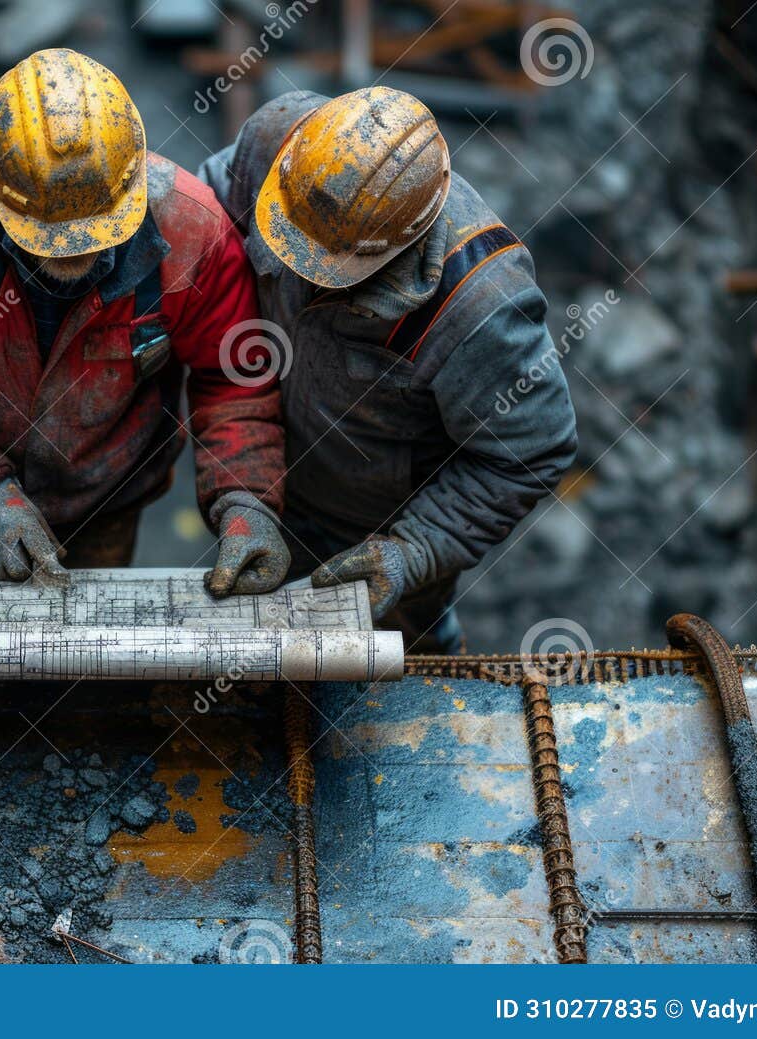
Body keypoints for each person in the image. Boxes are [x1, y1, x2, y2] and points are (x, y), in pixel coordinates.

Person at [0, 48, 287, 597]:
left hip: (107, 500)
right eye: (47, 240)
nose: (73, 260)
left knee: (80, 667)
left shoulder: (195, 234)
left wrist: (246, 501)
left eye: (93, 239)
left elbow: (233, 380)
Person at [199, 88, 578, 652]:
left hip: (376, 534)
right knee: (257, 665)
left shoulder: (481, 307)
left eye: (333, 269)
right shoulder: (284, 144)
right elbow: (202, 224)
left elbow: (531, 452)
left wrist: (412, 552)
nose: (308, 277)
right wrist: (244, 486)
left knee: (391, 683)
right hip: (268, 473)